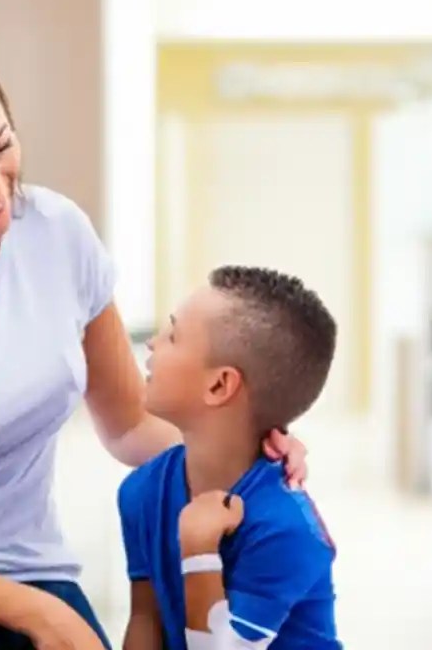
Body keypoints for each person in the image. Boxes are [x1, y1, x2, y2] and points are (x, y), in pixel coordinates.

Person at [0, 28, 310, 650]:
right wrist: (47, 619)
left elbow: (129, 425)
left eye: (0, 148)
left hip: (25, 563)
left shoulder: (56, 231)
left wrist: (245, 465)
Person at [118, 265, 340, 650]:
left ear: (219, 384)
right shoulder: (142, 491)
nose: (153, 343)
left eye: (173, 335)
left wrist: (199, 549)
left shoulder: (286, 528)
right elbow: (144, 618)